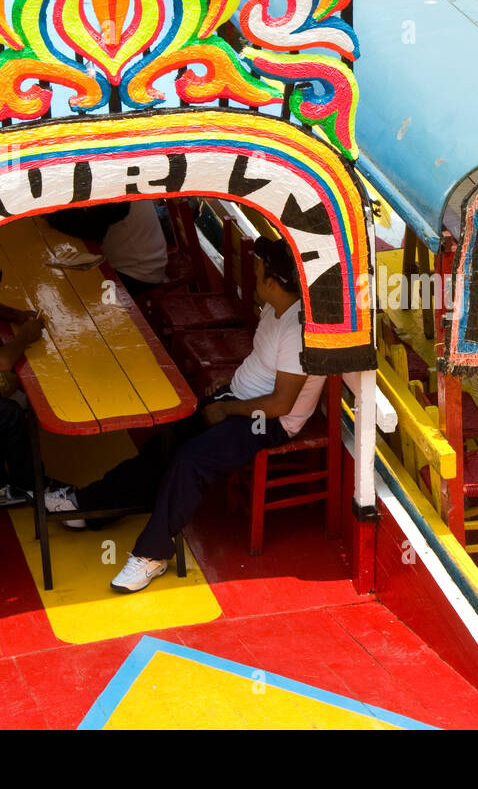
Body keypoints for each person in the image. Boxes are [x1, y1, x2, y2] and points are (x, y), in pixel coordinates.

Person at [104, 236, 324, 593]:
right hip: (240, 399)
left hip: (267, 421)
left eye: (257, 270)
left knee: (191, 460)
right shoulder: (274, 307)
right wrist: (231, 381)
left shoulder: (299, 331)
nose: (251, 275)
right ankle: (95, 503)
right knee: (167, 438)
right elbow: (264, 363)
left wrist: (225, 409)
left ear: (271, 282)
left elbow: (281, 404)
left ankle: (152, 555)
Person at [0, 255, 82, 524]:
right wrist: (26, 335)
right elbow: (3, 361)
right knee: (8, 414)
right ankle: (37, 487)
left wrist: (19, 316)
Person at [46, 200, 168, 296]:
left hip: (138, 273)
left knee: (69, 290)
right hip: (140, 263)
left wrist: (51, 216)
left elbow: (92, 229)